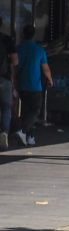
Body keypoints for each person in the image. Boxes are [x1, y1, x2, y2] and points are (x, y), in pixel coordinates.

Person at [14, 24, 51, 147]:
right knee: (35, 110)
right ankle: (23, 130)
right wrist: (50, 79)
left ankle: (30, 137)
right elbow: (45, 69)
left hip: (22, 84)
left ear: (23, 34)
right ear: (33, 35)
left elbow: (14, 66)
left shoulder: (18, 48)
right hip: (35, 86)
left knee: (26, 111)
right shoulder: (39, 50)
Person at [0, 20, 15, 149]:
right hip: (4, 79)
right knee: (6, 108)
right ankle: (4, 132)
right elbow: (15, 61)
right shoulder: (7, 40)